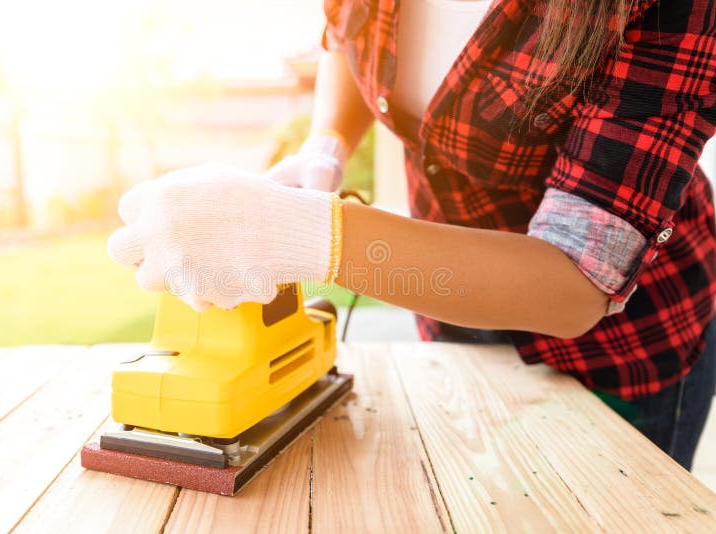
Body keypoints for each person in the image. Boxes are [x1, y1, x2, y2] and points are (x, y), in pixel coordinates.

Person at [107, 0, 716, 470]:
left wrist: (305, 235)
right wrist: (325, 148)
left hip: (622, 353)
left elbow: (575, 280)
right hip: (445, 316)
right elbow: (351, 33)